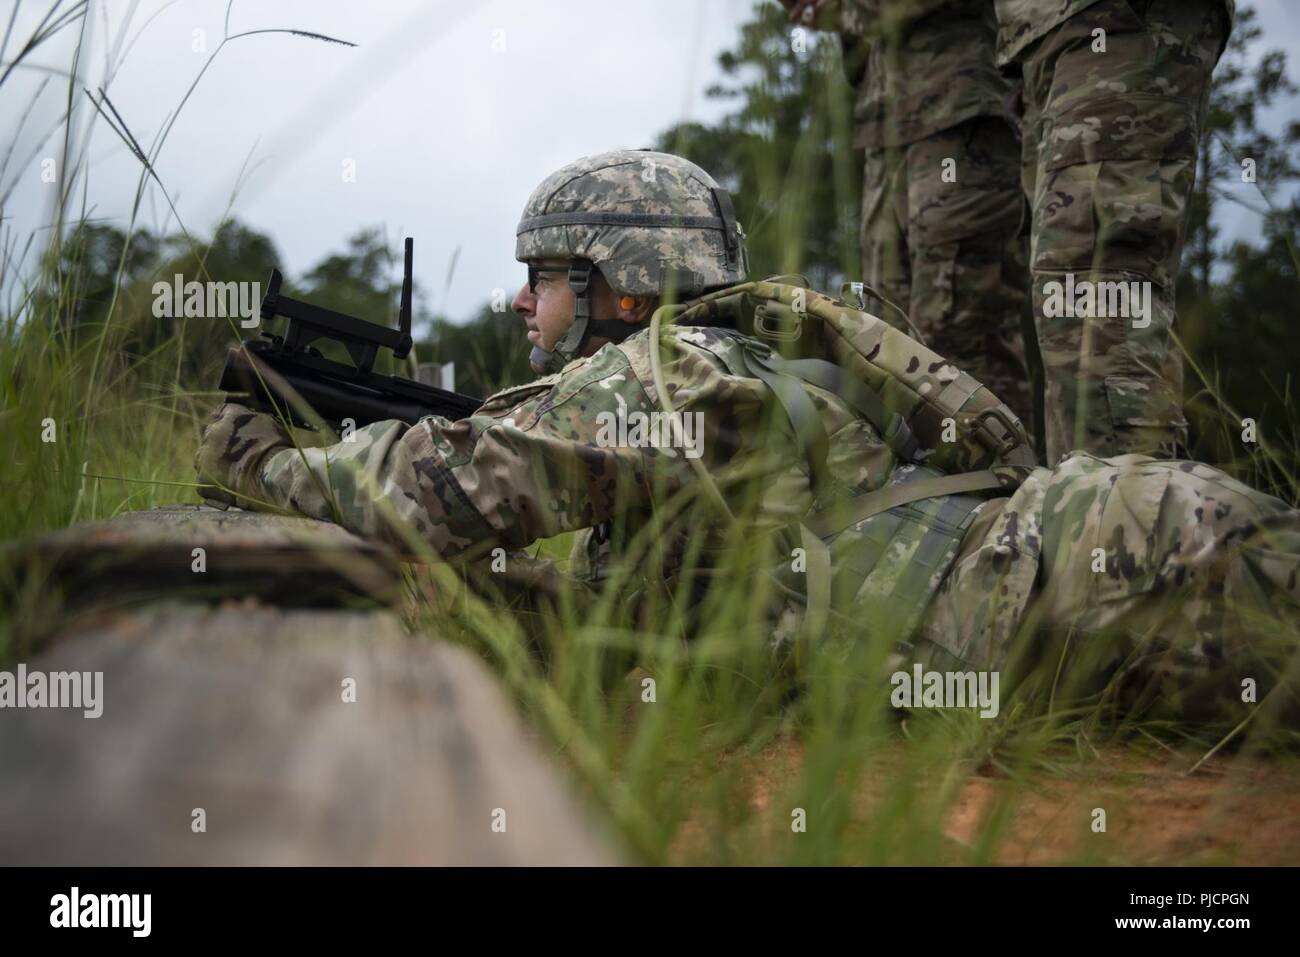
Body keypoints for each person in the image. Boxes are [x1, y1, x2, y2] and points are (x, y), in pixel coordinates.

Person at [195, 149, 1298, 725]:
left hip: (1112, 571)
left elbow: (446, 491)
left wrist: (252, 458)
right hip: (1089, 569)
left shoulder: (669, 373)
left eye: (539, 281)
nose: (520, 308)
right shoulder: (732, 368)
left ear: (613, 282)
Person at [781, 0, 1035, 439]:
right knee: (886, 344)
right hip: (886, 130)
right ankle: (926, 495)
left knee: (960, 341)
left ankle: (1006, 493)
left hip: (958, 116)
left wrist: (840, 9)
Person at [995, 0, 1235, 462]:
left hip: (1114, 15)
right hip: (1048, 34)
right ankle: (1122, 518)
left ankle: (1117, 525)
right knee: (1097, 307)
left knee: (1094, 299)